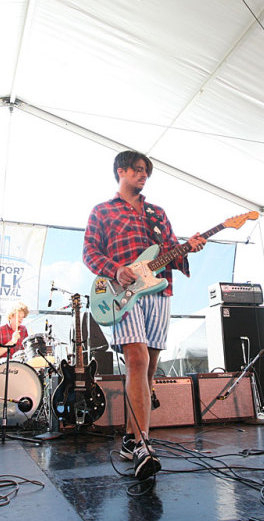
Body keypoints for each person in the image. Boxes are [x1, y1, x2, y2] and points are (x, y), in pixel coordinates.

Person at [83, 150, 205, 481]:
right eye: (137, 170)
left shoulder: (157, 213)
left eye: (146, 172)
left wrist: (186, 248)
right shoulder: (103, 211)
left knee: (148, 368)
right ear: (120, 171)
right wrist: (116, 269)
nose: (143, 175)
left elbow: (168, 251)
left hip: (160, 293)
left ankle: (128, 439)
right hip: (122, 295)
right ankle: (142, 444)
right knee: (136, 360)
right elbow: (90, 252)